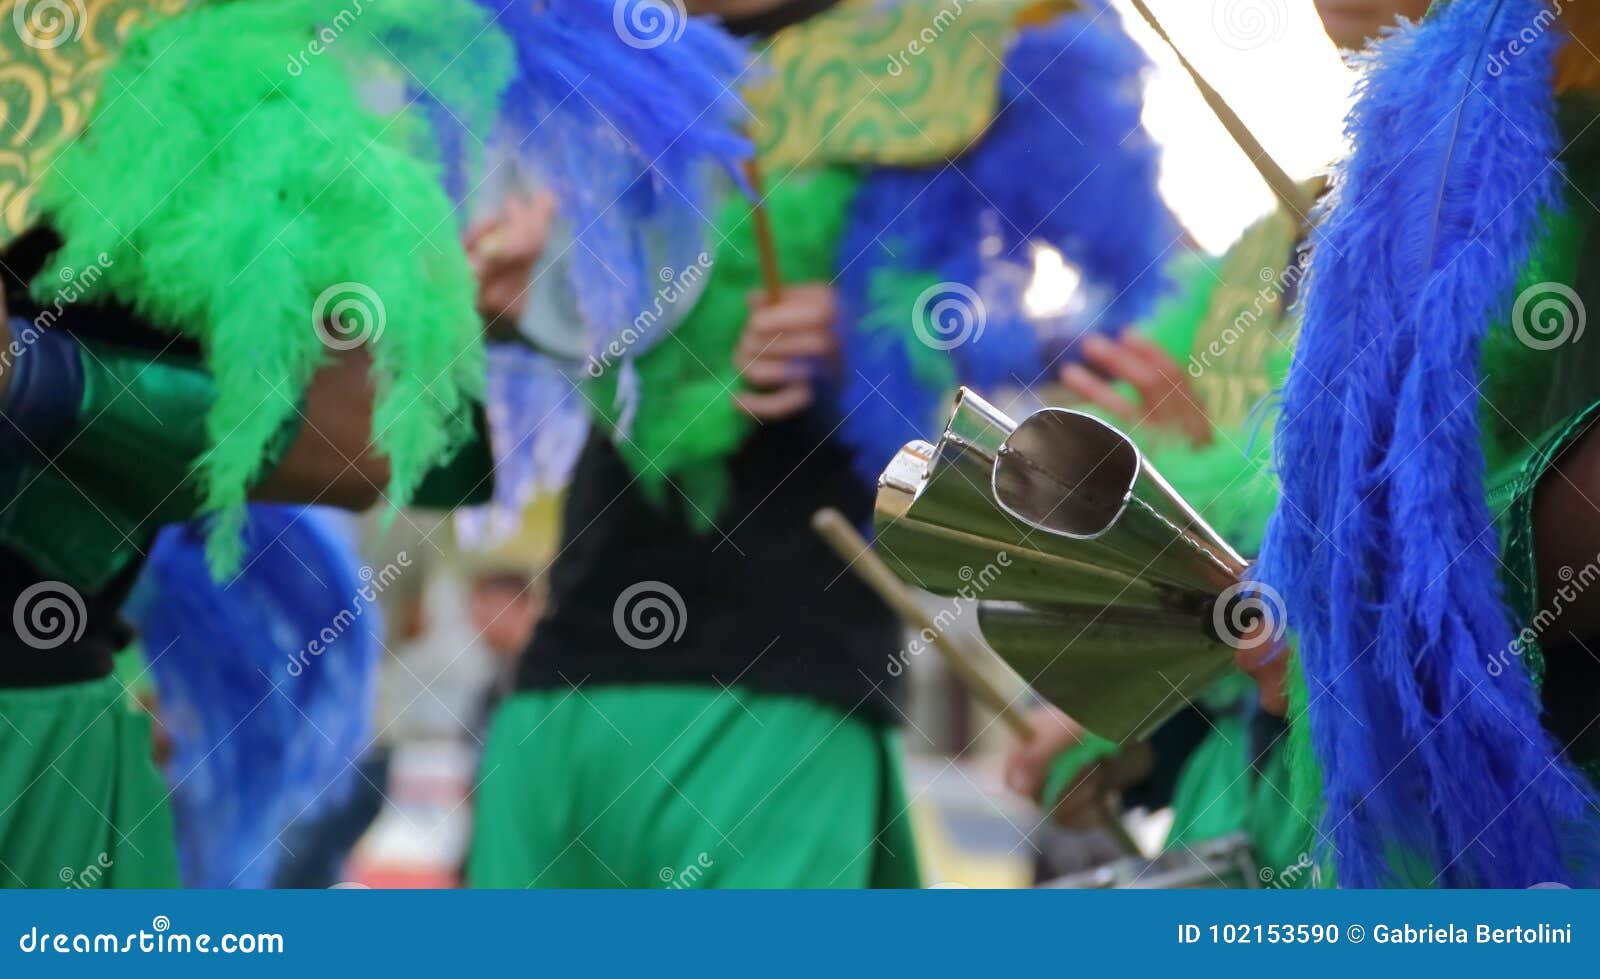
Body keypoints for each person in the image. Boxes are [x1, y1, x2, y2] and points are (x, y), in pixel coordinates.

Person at [469, 0, 1177, 888]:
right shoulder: (595, 48)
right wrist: (502, 305)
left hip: (787, 664)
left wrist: (882, 332)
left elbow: (1128, 319)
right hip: (568, 657)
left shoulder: (947, 42)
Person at [1004, 0, 1431, 886]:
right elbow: (1242, 640)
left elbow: (1458, 527)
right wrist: (1124, 735)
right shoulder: (1268, 246)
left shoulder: (1522, 199)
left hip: (1412, 804)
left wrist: (1202, 479)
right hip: (1240, 793)